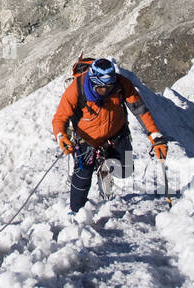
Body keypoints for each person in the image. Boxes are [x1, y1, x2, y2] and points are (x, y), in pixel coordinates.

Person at [50, 57, 167, 216]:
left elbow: (140, 110)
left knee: (126, 170)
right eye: (101, 88)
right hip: (88, 138)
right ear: (92, 82)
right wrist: (60, 136)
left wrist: (155, 135)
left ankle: (105, 167)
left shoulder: (121, 85)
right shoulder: (76, 89)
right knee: (82, 176)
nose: (106, 91)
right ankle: (76, 212)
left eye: (109, 86)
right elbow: (60, 118)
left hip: (117, 134)